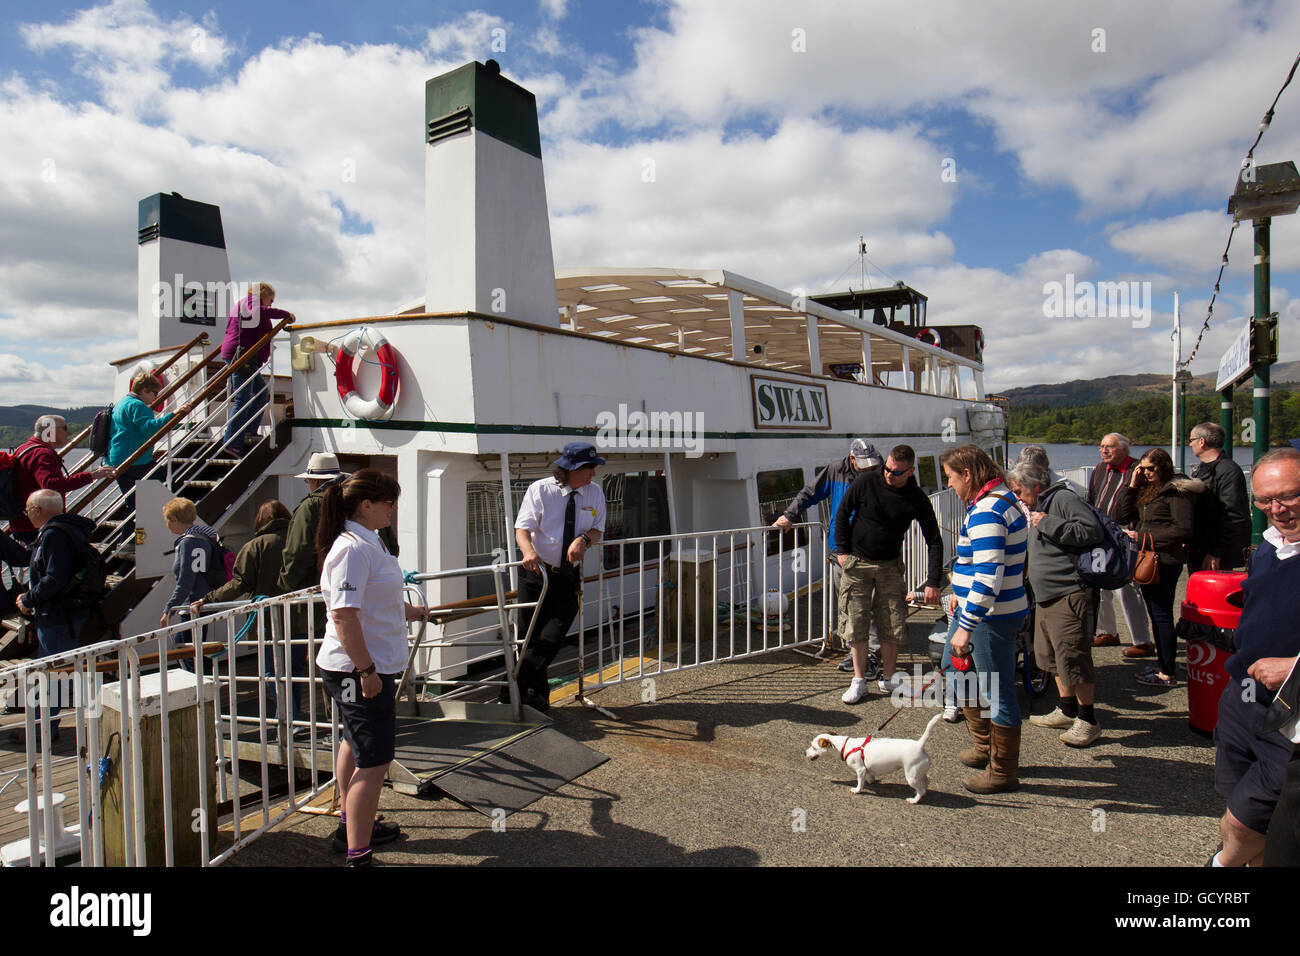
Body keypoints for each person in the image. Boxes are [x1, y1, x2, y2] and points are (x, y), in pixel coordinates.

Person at [315, 468, 426, 866]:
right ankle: (358, 854)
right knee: (375, 762)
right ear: (366, 504)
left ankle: (352, 824)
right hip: (355, 668)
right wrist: (366, 673)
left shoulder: (368, 541)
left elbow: (371, 598)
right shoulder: (352, 549)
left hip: (362, 665)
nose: (393, 509)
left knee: (354, 743)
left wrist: (408, 610)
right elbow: (344, 615)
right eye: (388, 502)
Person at [1210, 447, 1300, 866]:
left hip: (1289, 716)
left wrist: (1296, 667)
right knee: (1235, 802)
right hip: (1243, 697)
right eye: (1264, 500)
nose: (1276, 510)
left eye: (1289, 496)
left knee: (1249, 821)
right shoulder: (1267, 545)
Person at [940, 444, 1029, 794]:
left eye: (951, 478)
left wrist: (966, 624)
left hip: (989, 619)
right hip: (983, 612)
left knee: (998, 690)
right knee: (956, 669)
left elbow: (989, 575)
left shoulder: (987, 511)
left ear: (967, 475)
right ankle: (985, 746)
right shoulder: (1003, 500)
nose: (949, 486)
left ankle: (1003, 770)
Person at [832, 444, 942, 704]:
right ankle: (859, 680)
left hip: (890, 565)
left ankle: (890, 677)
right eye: (887, 469)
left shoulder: (916, 497)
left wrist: (933, 582)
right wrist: (842, 552)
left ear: (910, 471)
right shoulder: (867, 481)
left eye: (895, 472)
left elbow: (934, 539)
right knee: (856, 620)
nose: (889, 475)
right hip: (857, 562)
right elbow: (842, 513)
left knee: (892, 621)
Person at [1007, 457, 1105, 747]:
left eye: (1018, 490)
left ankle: (1088, 720)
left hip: (1068, 593)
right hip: (1046, 595)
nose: (1016, 496)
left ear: (1035, 486)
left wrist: (1047, 523)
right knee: (1050, 656)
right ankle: (1066, 708)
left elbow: (1092, 531)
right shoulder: (1039, 504)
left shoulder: (1061, 499)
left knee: (1074, 657)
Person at [510, 442, 607, 712]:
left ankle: (513, 691)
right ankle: (536, 699)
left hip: (567, 577)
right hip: (536, 575)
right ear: (571, 469)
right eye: (589, 468)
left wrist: (584, 540)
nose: (593, 474)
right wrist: (528, 551)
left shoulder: (594, 493)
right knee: (529, 638)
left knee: (552, 637)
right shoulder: (540, 490)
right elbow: (523, 528)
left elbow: (598, 529)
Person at [772, 438, 883, 666]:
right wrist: (789, 515)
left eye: (872, 464)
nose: (870, 469)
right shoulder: (835, 471)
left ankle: (873, 650)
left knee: (869, 604)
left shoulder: (879, 471)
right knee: (846, 604)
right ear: (852, 459)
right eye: (865, 464)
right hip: (839, 550)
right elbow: (810, 493)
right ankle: (854, 651)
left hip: (869, 550)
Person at [191, 500, 299, 732]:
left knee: (273, 669)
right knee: (297, 670)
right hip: (300, 616)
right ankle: (297, 715)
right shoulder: (299, 540)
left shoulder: (255, 546)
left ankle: (287, 716)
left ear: (260, 520)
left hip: (268, 618)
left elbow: (239, 583)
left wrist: (207, 600)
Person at [9, 490, 97, 745]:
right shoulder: (65, 531)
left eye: (27, 510)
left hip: (59, 617)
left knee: (51, 676)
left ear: (37, 510)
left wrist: (28, 599)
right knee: (52, 674)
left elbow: (54, 578)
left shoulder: (53, 536)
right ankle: (41, 726)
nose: (26, 515)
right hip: (64, 615)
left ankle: (39, 730)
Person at [1115, 448, 1202, 688]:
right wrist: (1132, 485)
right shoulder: (1148, 489)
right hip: (1149, 557)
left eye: (1151, 469)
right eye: (1143, 469)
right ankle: (1164, 665)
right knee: (1156, 614)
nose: (1147, 473)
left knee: (1161, 614)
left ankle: (1167, 671)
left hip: (1165, 560)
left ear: (1163, 467)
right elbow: (1122, 514)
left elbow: (1183, 528)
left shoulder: (1176, 492)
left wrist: (1143, 535)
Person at [1088, 433, 1155, 658]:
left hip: (1125, 533)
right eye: (1102, 446)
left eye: (1110, 447)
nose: (1104, 451)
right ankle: (1107, 632)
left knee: (1127, 589)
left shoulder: (1137, 470)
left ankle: (1142, 640)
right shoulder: (1099, 470)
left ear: (1124, 449)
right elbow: (1091, 499)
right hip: (1100, 534)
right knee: (1100, 584)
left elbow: (1143, 503)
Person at [6, 415, 115, 544]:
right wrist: (91, 475)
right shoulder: (42, 454)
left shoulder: (23, 448)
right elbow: (51, 485)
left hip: (23, 521)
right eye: (65, 428)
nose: (69, 432)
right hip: (37, 525)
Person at [221, 282, 294, 454]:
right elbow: (259, 312)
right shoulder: (252, 302)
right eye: (271, 299)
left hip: (242, 355)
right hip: (243, 356)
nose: (271, 304)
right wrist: (286, 314)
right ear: (263, 293)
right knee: (243, 398)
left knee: (261, 394)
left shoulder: (243, 304)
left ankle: (248, 431)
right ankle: (232, 441)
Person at [106, 373, 176, 541]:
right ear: (144, 390)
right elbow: (149, 428)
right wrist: (173, 415)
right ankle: (142, 538)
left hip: (118, 459)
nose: (156, 397)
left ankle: (130, 541)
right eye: (154, 393)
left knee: (134, 503)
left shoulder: (121, 403)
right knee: (168, 481)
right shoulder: (138, 406)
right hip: (136, 459)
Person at [160, 497, 222, 670]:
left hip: (192, 605)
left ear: (175, 520)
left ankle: (202, 686)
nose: (167, 525)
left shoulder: (188, 542)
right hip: (204, 601)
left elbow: (186, 580)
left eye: (167, 520)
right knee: (195, 649)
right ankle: (207, 681)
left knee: (186, 651)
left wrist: (168, 609)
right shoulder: (204, 538)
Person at [1188, 422, 1251, 572]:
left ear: (1201, 441)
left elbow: (1234, 515)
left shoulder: (1228, 470)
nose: (1190, 445)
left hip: (1215, 555)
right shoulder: (1203, 469)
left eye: (1191, 440)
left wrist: (1216, 552)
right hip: (1198, 547)